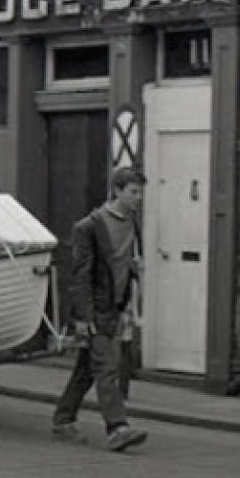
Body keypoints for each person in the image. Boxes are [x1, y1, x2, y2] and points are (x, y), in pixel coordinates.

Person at [52, 166, 148, 452]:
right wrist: (84, 318)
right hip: (96, 310)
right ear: (117, 191)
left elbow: (123, 261)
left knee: (87, 369)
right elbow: (80, 276)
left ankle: (63, 419)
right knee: (107, 367)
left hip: (117, 308)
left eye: (141, 192)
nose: (139, 198)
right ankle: (117, 428)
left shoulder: (133, 222)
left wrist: (133, 272)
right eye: (133, 192)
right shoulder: (90, 227)